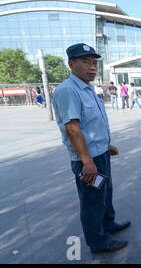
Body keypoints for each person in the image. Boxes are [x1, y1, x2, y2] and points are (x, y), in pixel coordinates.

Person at [52, 43, 131, 254]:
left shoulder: (88, 89)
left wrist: (106, 145)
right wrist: (87, 161)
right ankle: (98, 242)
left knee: (105, 193)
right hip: (87, 159)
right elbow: (73, 128)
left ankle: (108, 224)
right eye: (85, 62)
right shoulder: (68, 91)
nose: (92, 66)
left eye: (94, 62)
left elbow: (92, 124)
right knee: (92, 201)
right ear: (71, 64)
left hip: (100, 153)